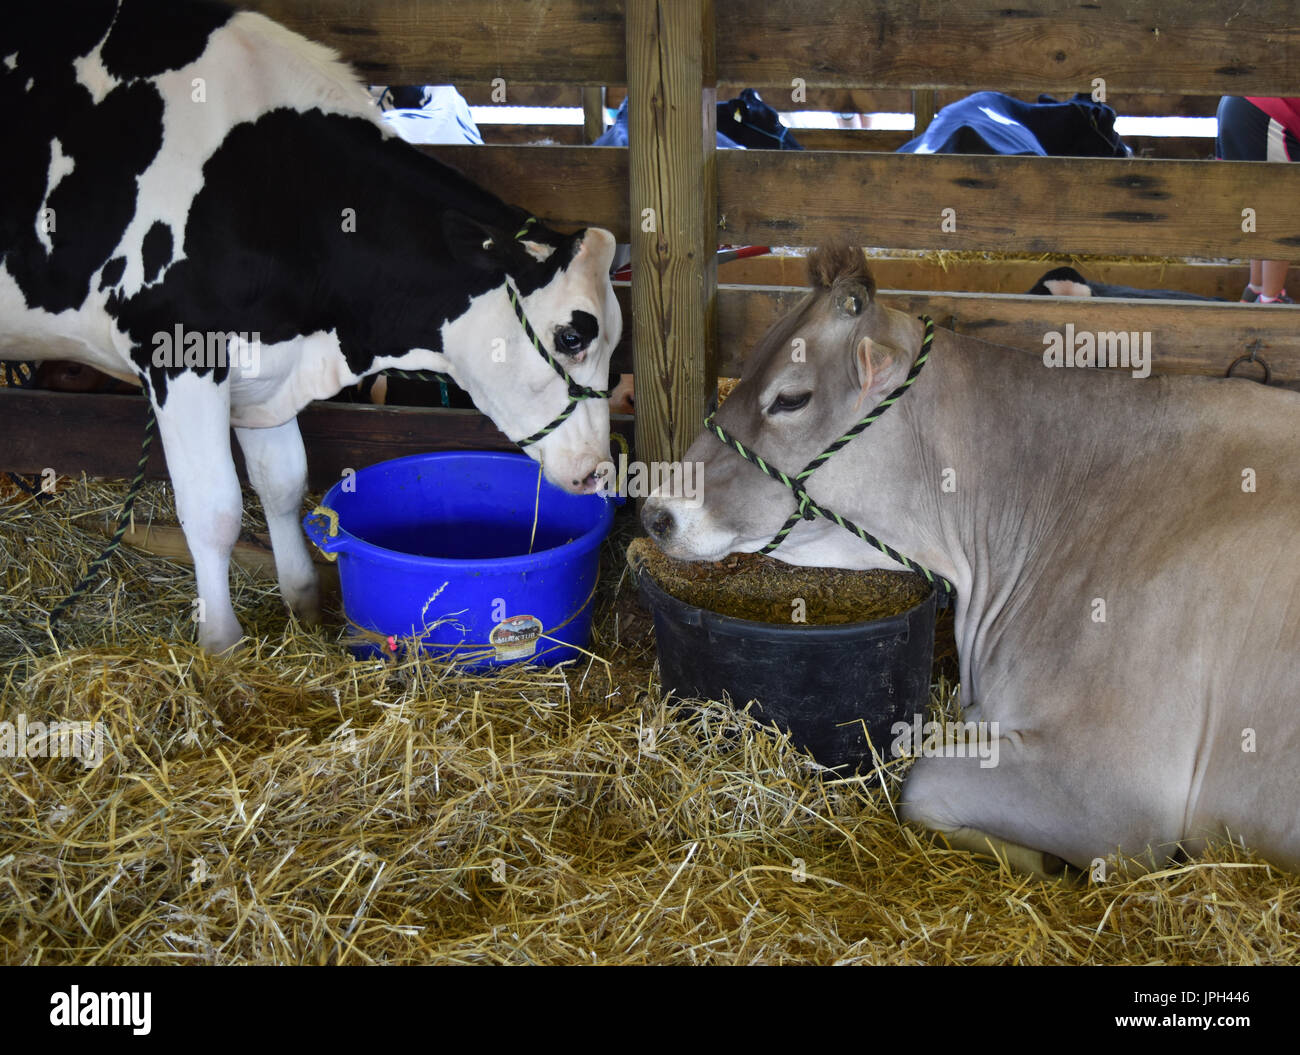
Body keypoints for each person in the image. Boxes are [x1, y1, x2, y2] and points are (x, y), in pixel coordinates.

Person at [1216, 96, 1298, 303]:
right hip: (1266, 111)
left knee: (1257, 202)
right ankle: (1270, 299)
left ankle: (1257, 288)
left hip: (1236, 102)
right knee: (1283, 206)